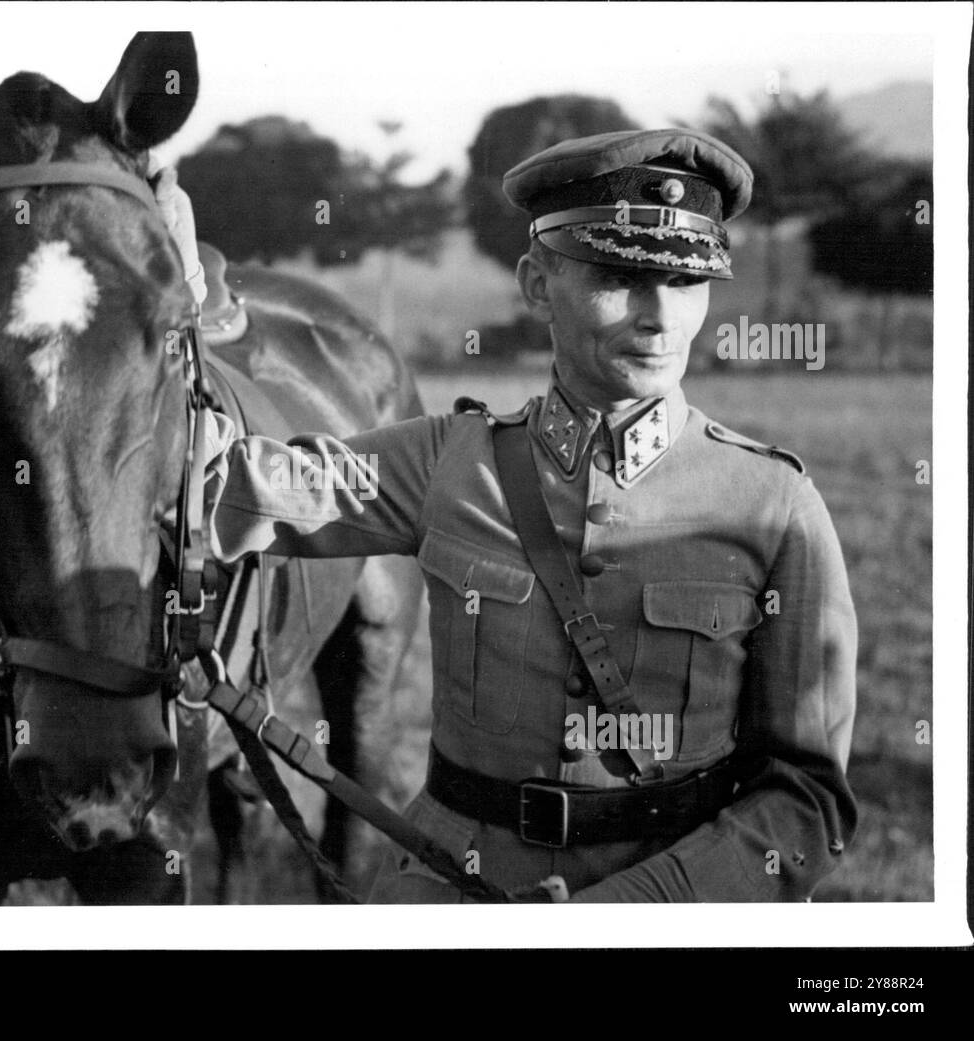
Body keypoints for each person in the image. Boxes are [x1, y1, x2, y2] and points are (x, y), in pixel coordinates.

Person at [153, 128, 858, 902]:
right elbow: (217, 484)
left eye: (688, 281)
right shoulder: (445, 462)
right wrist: (171, 305)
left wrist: (630, 910)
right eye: (620, 275)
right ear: (534, 281)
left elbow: (806, 799)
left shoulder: (775, 506)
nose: (661, 315)